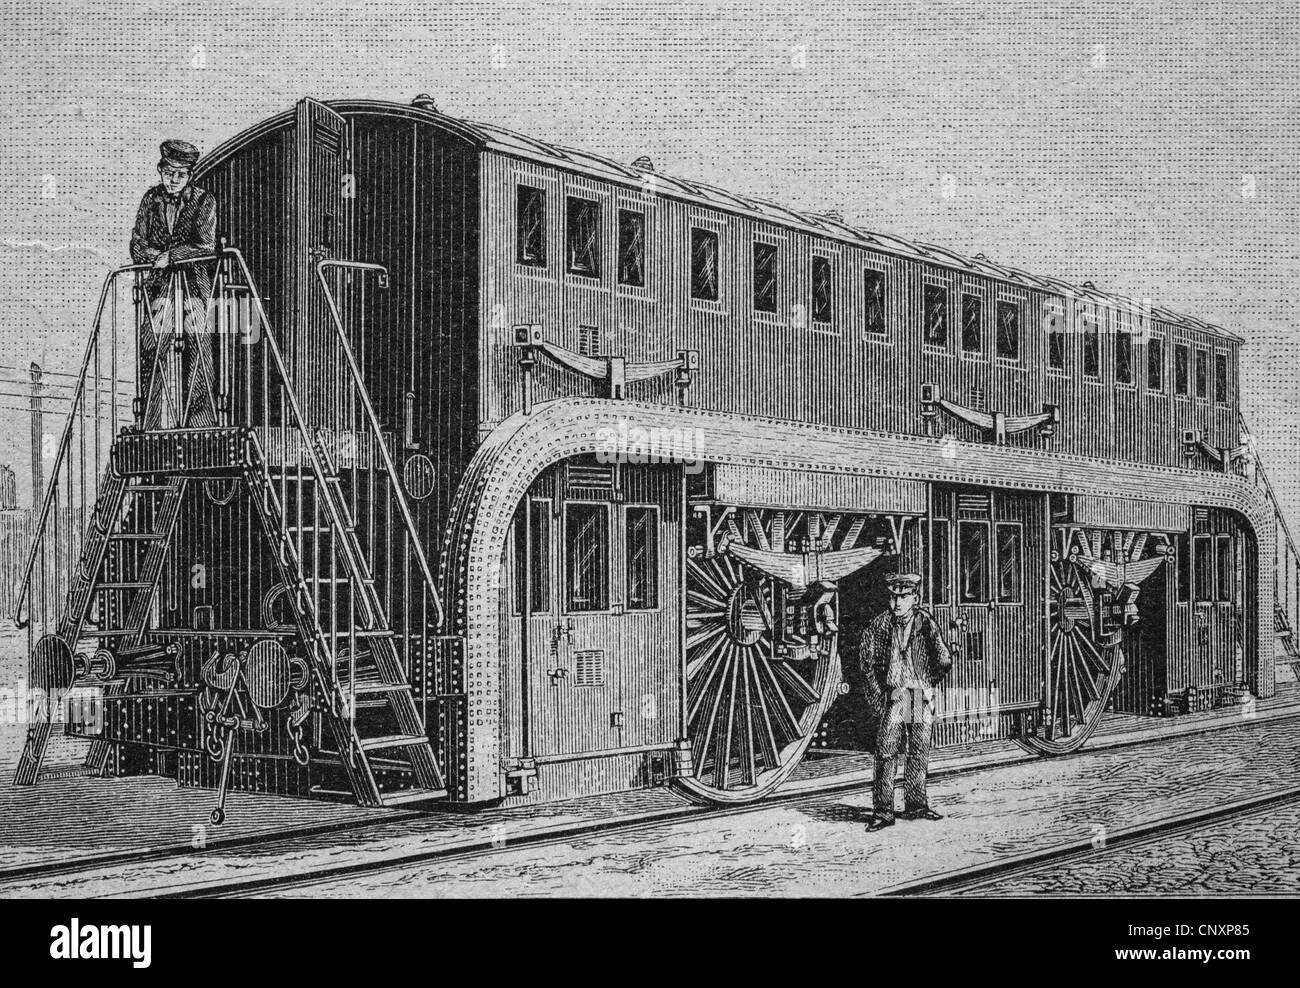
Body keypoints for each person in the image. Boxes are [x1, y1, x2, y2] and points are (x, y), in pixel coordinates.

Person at [129, 139, 218, 427]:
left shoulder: (204, 201)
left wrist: (171, 256)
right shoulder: (150, 199)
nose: (173, 180)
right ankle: (151, 424)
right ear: (160, 169)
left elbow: (206, 246)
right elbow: (137, 244)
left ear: (190, 175)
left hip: (194, 289)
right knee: (151, 347)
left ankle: (199, 423)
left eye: (180, 174)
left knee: (199, 348)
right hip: (160, 289)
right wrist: (156, 256)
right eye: (169, 173)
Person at [859, 572, 952, 831]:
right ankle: (883, 812)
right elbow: (868, 663)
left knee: (918, 752)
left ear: (915, 598)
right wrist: (878, 695)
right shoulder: (880, 625)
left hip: (918, 695)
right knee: (887, 753)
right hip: (895, 694)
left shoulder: (926, 623)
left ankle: (917, 806)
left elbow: (944, 658)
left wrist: (927, 680)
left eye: (903, 597)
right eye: (893, 597)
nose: (897, 603)